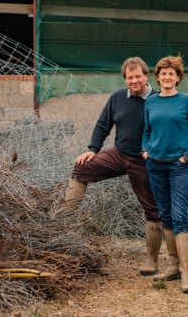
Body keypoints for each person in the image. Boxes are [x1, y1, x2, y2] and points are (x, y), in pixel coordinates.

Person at [64, 56, 163, 276]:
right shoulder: (117, 97)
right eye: (129, 77)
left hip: (144, 160)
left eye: (138, 76)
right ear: (125, 79)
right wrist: (93, 148)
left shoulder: (159, 99)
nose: (134, 81)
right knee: (81, 169)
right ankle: (63, 227)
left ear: (146, 76)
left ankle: (151, 260)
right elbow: (103, 124)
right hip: (118, 153)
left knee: (152, 208)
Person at [141, 55, 188, 293]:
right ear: (157, 77)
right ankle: (173, 265)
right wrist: (145, 150)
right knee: (166, 215)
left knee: (180, 216)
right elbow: (147, 130)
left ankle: (187, 274)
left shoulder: (187, 102)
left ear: (178, 78)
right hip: (155, 166)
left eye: (172, 74)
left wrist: (187, 157)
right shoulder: (150, 103)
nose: (167, 77)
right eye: (163, 73)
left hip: (179, 167)